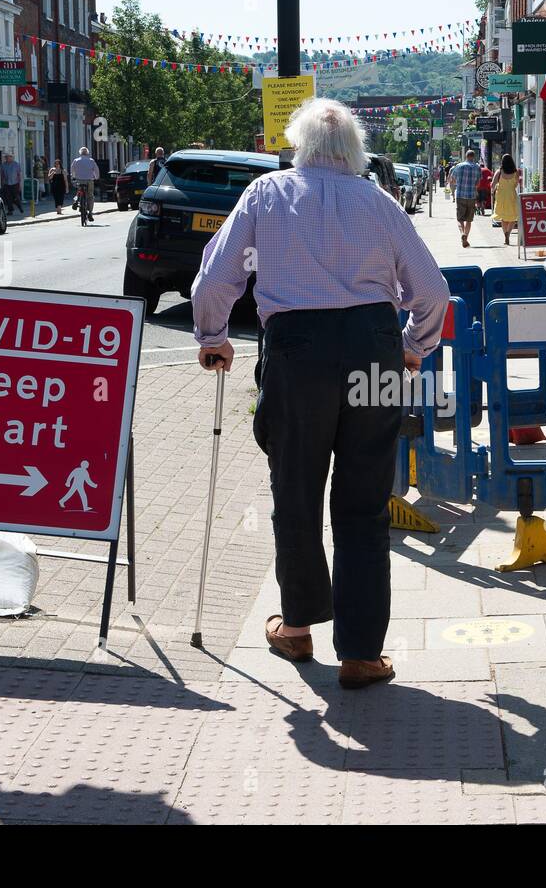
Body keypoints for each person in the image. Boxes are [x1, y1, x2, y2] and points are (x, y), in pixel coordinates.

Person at [190, 97, 449, 690]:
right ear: (355, 152)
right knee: (363, 503)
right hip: (373, 350)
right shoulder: (381, 203)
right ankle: (360, 654)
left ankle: (299, 628)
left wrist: (214, 337)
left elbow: (216, 275)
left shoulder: (266, 194)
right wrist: (413, 348)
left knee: (297, 491)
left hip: (297, 354)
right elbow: (433, 292)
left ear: (297, 145)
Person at [449, 149, 481, 248]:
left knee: (460, 219)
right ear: (473, 156)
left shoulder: (459, 166)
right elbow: (478, 183)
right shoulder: (477, 167)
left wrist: (458, 183)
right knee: (469, 220)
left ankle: (462, 233)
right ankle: (466, 237)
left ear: (466, 156)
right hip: (471, 196)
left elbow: (452, 180)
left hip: (460, 195)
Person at [491, 154, 521, 246]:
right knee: (513, 216)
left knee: (503, 217)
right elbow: (516, 185)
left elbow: (493, 184)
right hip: (511, 195)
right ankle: (508, 232)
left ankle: (505, 235)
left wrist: (494, 189)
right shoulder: (515, 172)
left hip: (501, 196)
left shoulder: (499, 172)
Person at [69, 146, 99, 219]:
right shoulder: (91, 160)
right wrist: (96, 177)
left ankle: (75, 201)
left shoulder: (76, 160)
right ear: (87, 153)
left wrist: (73, 177)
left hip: (79, 180)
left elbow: (72, 169)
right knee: (90, 196)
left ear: (80, 153)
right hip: (89, 180)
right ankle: (90, 213)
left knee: (78, 191)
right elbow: (96, 170)